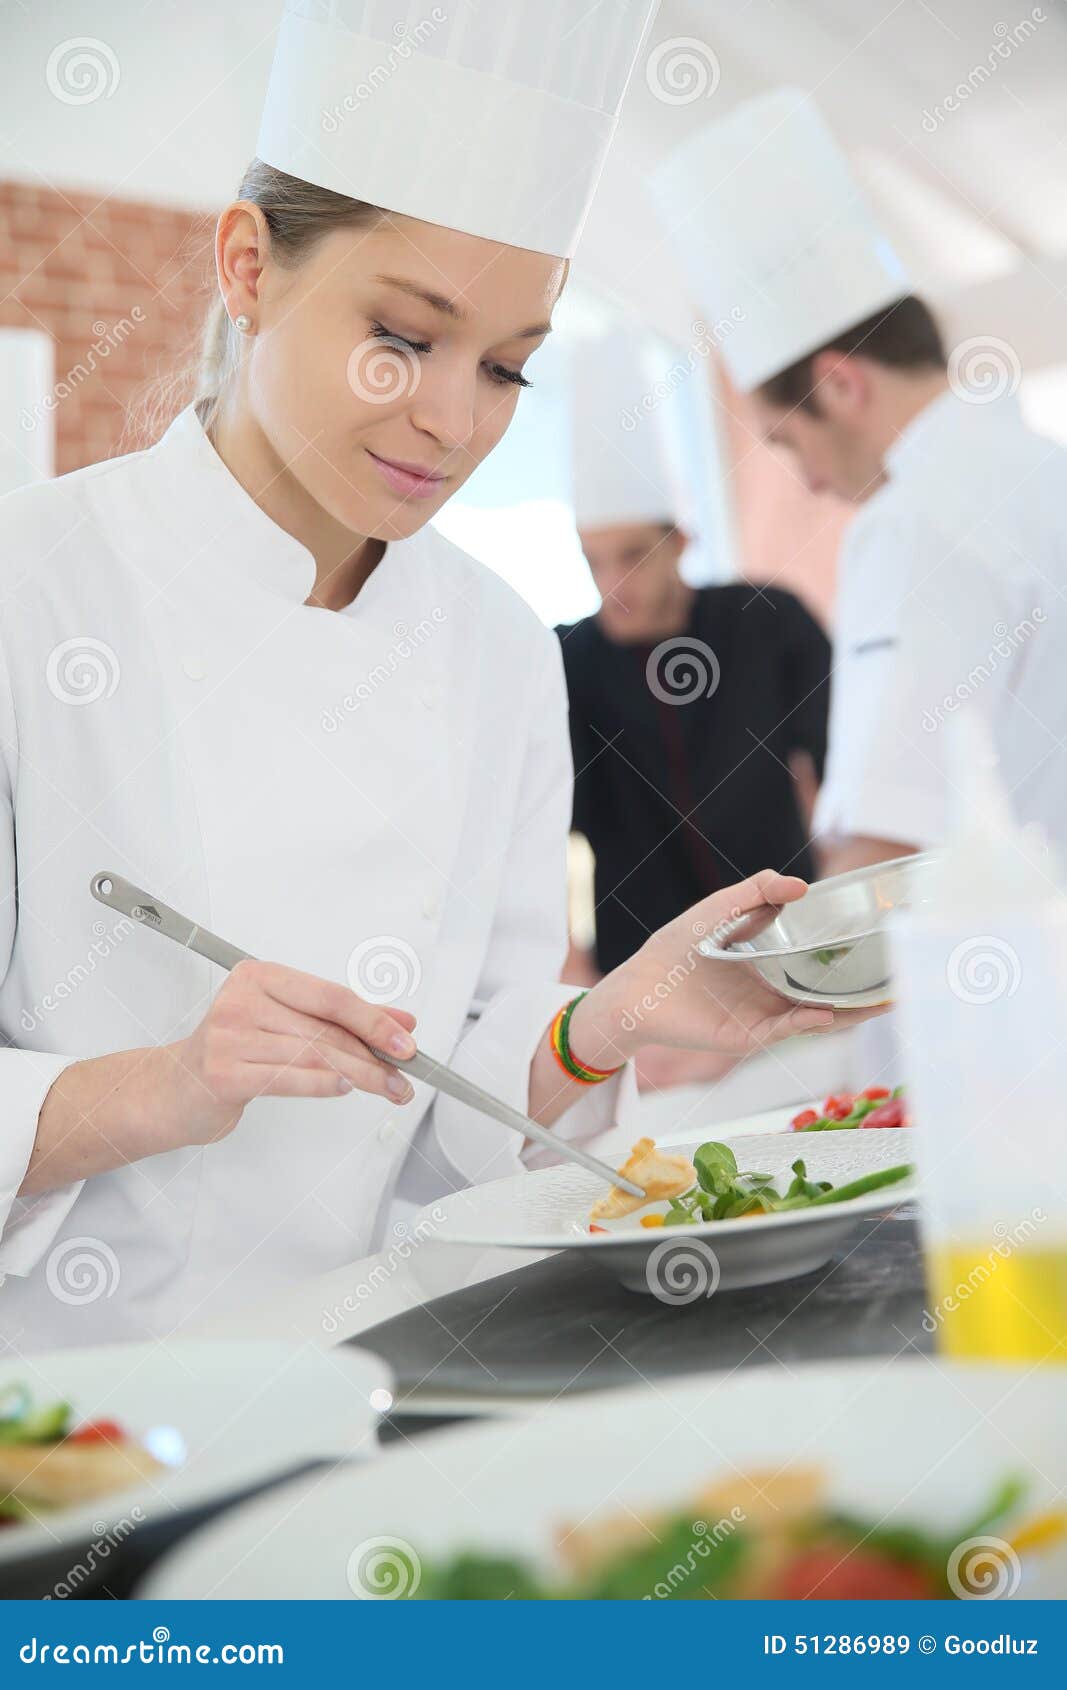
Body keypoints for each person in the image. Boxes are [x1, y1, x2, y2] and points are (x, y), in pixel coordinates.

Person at [0, 6, 875, 1350]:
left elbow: (452, 1109)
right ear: (246, 264)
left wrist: (608, 1019)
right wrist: (167, 1083)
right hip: (62, 1422)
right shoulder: (34, 587)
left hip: (372, 1381)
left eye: (509, 365)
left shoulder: (496, 648)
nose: (453, 421)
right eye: (402, 337)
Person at [652, 88, 1067, 882]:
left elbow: (884, 847)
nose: (807, 481)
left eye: (788, 441)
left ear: (838, 385)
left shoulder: (912, 522)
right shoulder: (1041, 470)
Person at [558, 328, 830, 984]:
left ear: (679, 540)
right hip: (644, 973)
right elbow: (540, 840)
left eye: (630, 556)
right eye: (592, 561)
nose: (611, 586)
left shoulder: (768, 620)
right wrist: (581, 981)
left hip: (790, 940)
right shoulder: (566, 661)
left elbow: (841, 774)